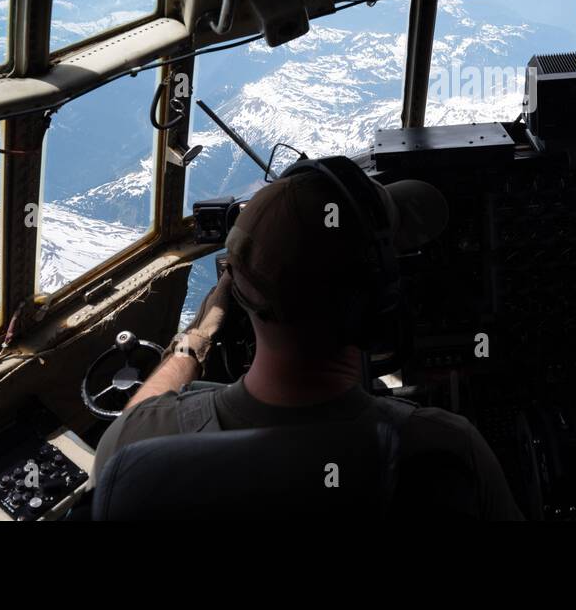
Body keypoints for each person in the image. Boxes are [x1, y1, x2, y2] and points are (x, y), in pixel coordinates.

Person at [91, 157, 523, 520]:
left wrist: (197, 338)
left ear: (236, 290)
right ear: (379, 301)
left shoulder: (136, 448)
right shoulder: (446, 452)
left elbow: (146, 409)